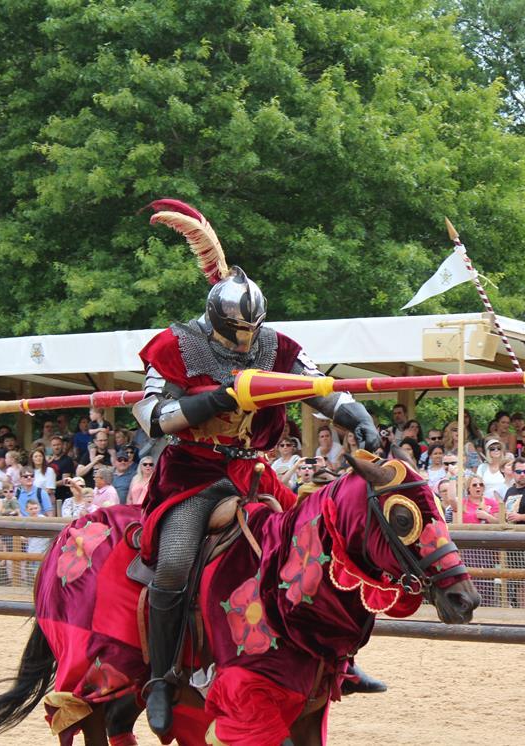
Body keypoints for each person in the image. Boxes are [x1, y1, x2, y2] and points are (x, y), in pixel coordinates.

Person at [131, 201, 384, 735]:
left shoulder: (275, 345)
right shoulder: (174, 346)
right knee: (175, 566)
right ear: (215, 319)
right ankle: (161, 676)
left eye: (252, 332)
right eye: (236, 332)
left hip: (257, 474)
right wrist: (214, 401)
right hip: (192, 478)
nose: (245, 343)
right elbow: (152, 418)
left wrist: (357, 417)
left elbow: (320, 390)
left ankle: (337, 661)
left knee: (323, 544)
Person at [476, 437, 510, 502]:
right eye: (492, 449)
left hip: (503, 502)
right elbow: (478, 485)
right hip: (486, 503)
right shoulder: (482, 467)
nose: (496, 450)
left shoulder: (506, 466)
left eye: (499, 448)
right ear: (488, 452)